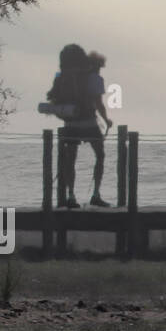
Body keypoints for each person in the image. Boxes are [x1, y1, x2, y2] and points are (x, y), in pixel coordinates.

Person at [46, 44, 110, 208]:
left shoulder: (61, 77)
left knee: (70, 160)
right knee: (100, 156)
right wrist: (106, 120)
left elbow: (53, 97)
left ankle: (71, 196)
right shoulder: (94, 78)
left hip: (70, 123)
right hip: (88, 123)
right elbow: (98, 103)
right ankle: (96, 194)